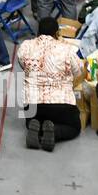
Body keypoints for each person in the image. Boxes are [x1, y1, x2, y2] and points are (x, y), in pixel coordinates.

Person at [18, 16, 84, 151]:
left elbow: (23, 65)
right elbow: (78, 71)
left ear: (38, 32)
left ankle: (35, 125)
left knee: (32, 120)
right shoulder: (67, 49)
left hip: (33, 104)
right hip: (61, 103)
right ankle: (54, 131)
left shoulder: (25, 46)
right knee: (74, 127)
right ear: (57, 33)